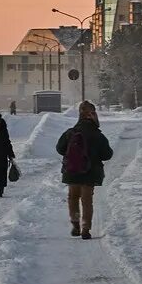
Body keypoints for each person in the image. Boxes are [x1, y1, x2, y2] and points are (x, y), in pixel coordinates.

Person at [55, 100, 112, 239]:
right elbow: (107, 155)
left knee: (73, 197)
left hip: (72, 171)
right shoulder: (98, 135)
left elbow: (59, 148)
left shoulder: (70, 132)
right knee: (87, 200)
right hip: (90, 173)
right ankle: (86, 228)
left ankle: (75, 224)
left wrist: (73, 155)